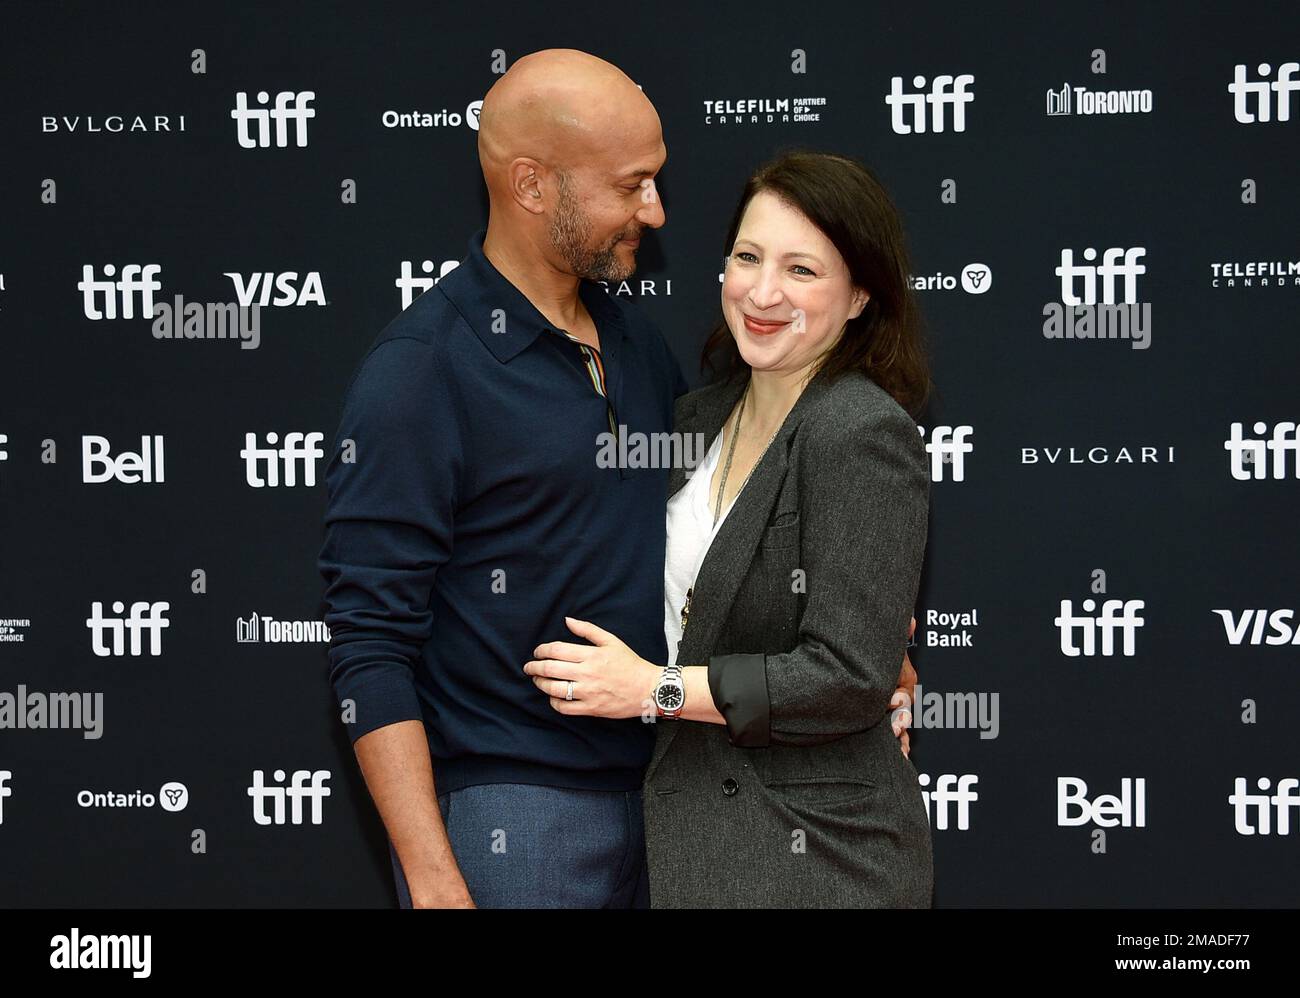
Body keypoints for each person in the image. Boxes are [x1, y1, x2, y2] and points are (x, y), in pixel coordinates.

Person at [319, 48, 918, 909]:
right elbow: (368, 642)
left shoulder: (636, 345)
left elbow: (724, 539)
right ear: (534, 187)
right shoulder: (420, 372)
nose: (657, 209)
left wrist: (867, 644)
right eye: (631, 185)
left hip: (678, 803)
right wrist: (433, 877)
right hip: (516, 815)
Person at [523, 150, 934, 907]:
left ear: (859, 296)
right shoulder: (697, 419)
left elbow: (845, 678)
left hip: (822, 858)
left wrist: (657, 688)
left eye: (803, 270)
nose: (764, 292)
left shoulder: (861, 431)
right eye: (748, 257)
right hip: (694, 848)